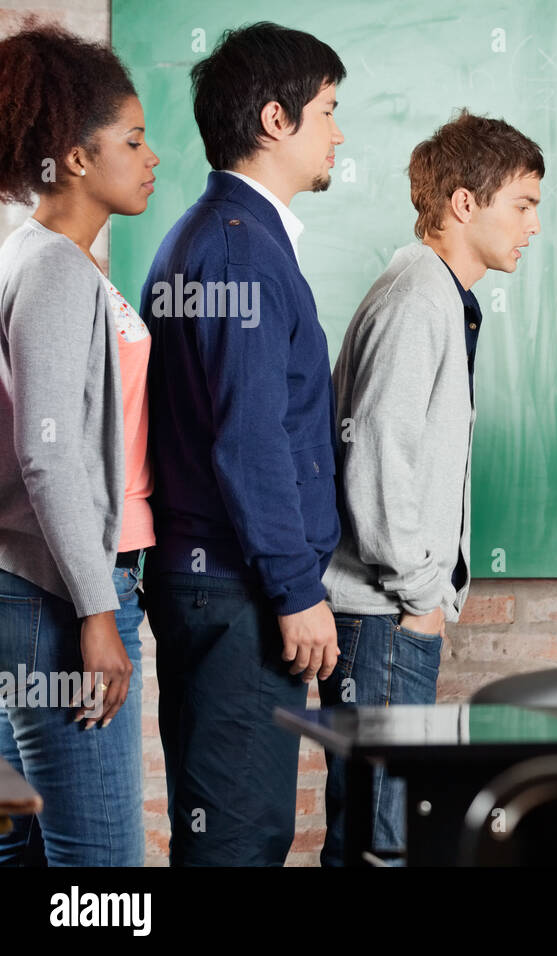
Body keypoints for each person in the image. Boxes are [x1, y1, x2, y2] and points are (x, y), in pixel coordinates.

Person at [140, 22, 345, 865]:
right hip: (233, 591)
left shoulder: (226, 238)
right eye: (328, 111)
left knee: (229, 825)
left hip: (218, 585)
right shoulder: (240, 254)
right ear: (274, 119)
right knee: (238, 837)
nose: (339, 133)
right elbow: (248, 438)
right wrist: (297, 591)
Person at [319, 110, 543, 865]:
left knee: (377, 833)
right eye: (524, 204)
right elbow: (379, 456)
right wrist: (421, 595)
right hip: (383, 615)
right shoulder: (419, 298)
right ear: (464, 203)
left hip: (389, 611)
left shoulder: (435, 293)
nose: (534, 226)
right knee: (385, 844)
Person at [0, 24, 160, 865]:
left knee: (29, 856)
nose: (151, 157)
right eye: (132, 140)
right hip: (60, 600)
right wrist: (98, 613)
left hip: (35, 590)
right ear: (73, 157)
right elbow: (48, 452)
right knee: (102, 873)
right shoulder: (56, 267)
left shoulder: (42, 256)